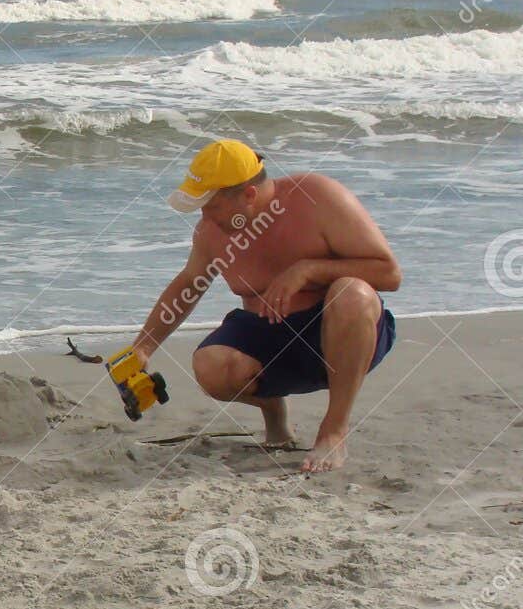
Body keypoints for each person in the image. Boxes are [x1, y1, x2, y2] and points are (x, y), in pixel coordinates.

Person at [131, 140, 400, 473]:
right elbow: (189, 284)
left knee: (352, 293)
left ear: (248, 195)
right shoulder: (211, 232)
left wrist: (308, 270)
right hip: (272, 340)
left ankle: (334, 431)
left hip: (341, 334)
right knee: (211, 366)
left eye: (211, 205)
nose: (204, 216)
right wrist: (142, 348)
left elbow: (388, 272)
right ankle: (274, 412)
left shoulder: (318, 197)